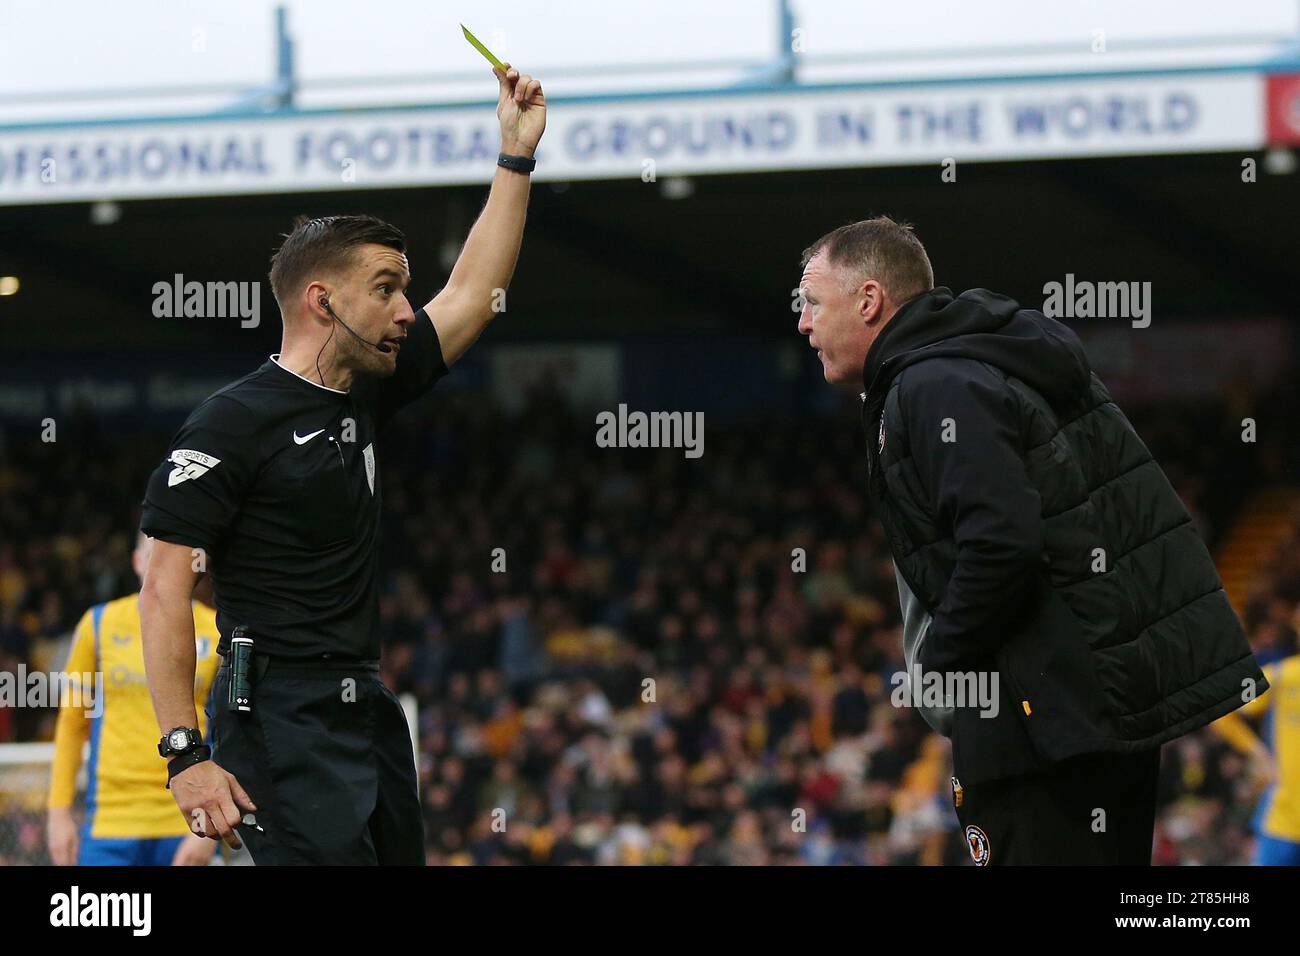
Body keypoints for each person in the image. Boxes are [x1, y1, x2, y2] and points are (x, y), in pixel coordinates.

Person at [138, 62, 546, 864]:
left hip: (364, 704)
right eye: (387, 289)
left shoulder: (365, 392)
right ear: (323, 300)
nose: (405, 310)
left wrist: (515, 157)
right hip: (275, 714)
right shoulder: (231, 422)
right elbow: (162, 585)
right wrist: (185, 754)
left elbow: (470, 296)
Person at [795, 216, 1267, 865]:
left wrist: (938, 667)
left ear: (869, 300)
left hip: (1047, 726)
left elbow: (1002, 543)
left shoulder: (936, 384)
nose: (803, 324)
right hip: (1083, 712)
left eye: (812, 303)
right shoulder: (975, 364)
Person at [48, 532, 221, 866]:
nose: (160, 563)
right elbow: (71, 724)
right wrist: (58, 815)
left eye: (170, 555)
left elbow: (227, 733)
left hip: (187, 820)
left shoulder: (214, 630)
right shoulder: (97, 625)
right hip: (110, 823)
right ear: (137, 561)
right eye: (151, 554)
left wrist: (208, 829)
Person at [1211, 653, 1300, 865]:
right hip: (1283, 822)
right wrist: (1256, 751)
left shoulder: (1280, 675)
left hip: (1283, 823)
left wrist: (1256, 751)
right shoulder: (1282, 677)